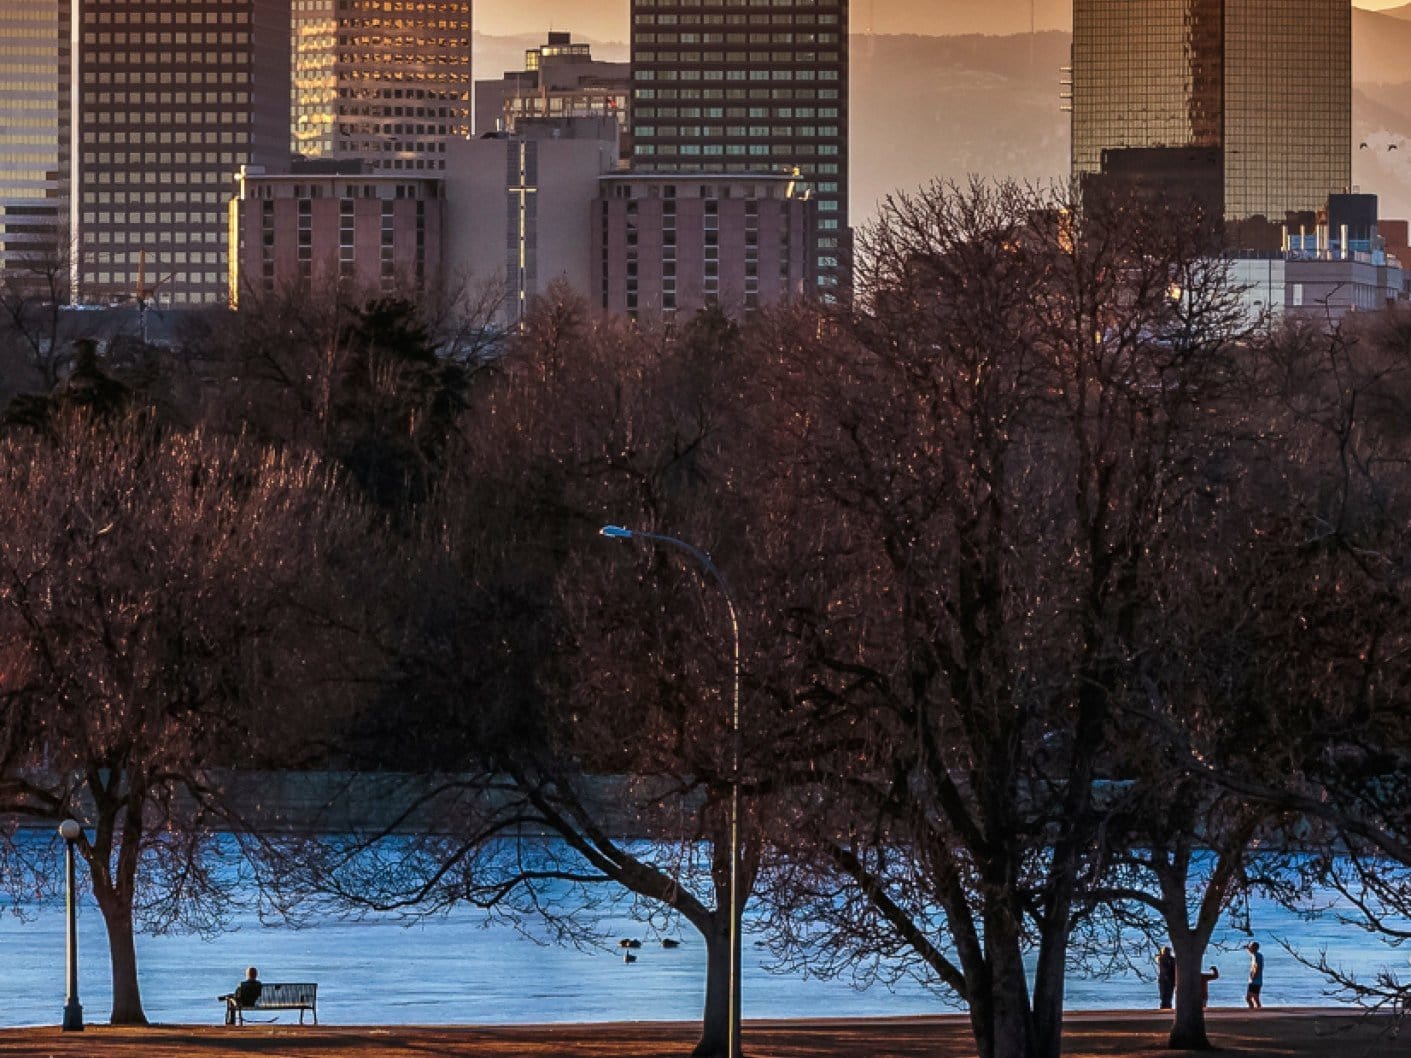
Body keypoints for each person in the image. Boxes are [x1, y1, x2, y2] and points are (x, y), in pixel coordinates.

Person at [1156, 945, 1177, 1010]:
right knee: (1164, 996)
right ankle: (1165, 1007)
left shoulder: (1171, 960)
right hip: (1165, 980)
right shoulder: (1162, 959)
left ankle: (1167, 1007)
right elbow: (1165, 970)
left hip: (1170, 979)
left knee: (1168, 996)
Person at [1246, 941, 1265, 1009]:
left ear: (1254, 948)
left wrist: (1253, 976)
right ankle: (1256, 1009)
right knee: (1255, 998)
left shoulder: (1256, 956)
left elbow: (1256, 966)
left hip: (1255, 981)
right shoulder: (1257, 955)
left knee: (1249, 998)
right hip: (1257, 980)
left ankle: (1254, 1010)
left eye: (1250, 947)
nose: (1249, 949)